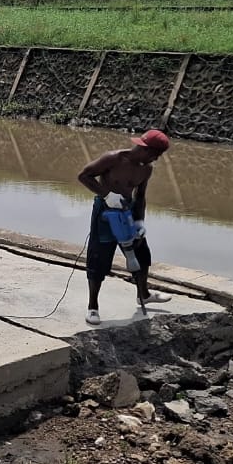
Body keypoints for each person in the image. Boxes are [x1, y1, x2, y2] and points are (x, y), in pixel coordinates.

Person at [75, 129, 173, 326]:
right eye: (155, 153)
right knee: (99, 257)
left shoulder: (146, 169)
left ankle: (143, 295)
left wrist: (139, 222)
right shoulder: (113, 159)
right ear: (144, 147)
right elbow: (84, 176)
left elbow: (140, 196)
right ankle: (92, 307)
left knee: (141, 254)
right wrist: (107, 195)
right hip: (105, 212)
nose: (156, 158)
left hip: (127, 212)